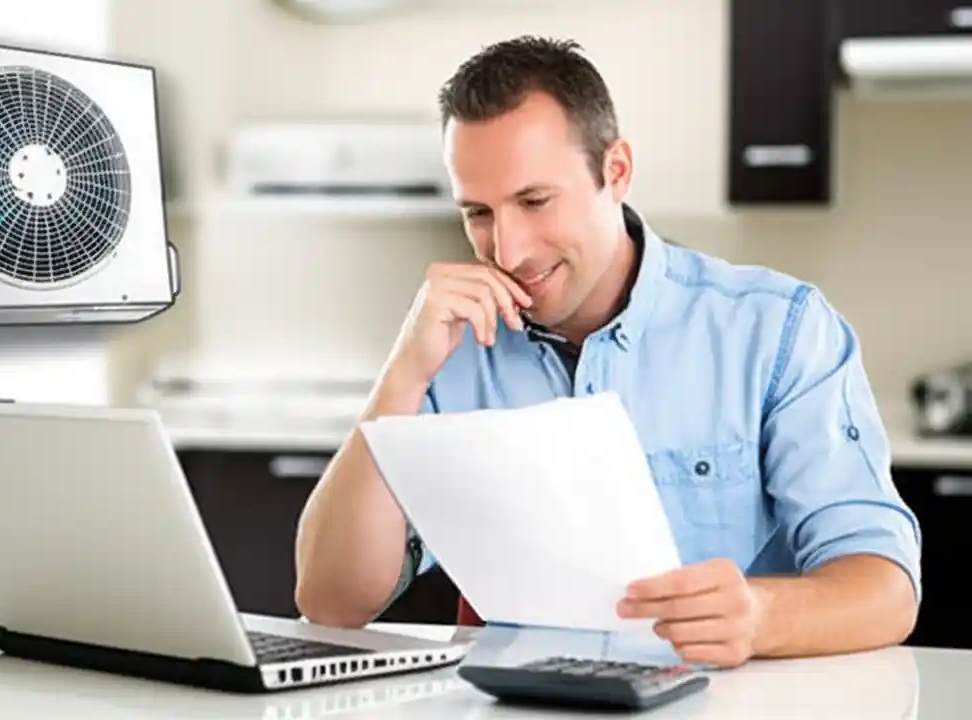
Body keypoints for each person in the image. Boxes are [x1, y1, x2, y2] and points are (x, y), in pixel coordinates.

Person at [293, 35, 920, 669]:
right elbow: (331, 602)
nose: (506, 250)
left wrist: (760, 616)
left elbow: (887, 592)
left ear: (615, 171)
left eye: (535, 201)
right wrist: (402, 373)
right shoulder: (450, 350)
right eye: (478, 212)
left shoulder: (776, 330)